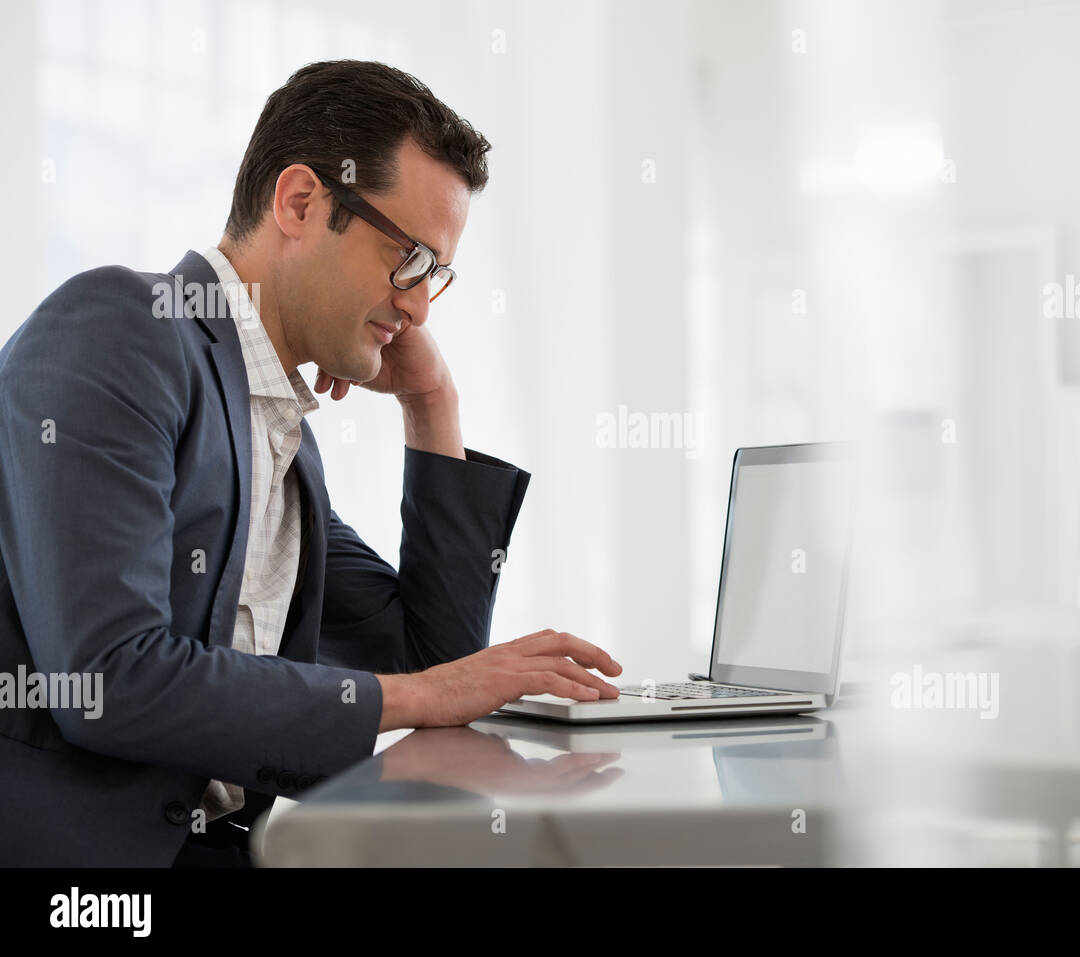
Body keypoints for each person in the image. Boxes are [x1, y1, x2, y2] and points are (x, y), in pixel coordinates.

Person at [0, 59, 622, 867]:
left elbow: (433, 663)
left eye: (437, 274)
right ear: (300, 202)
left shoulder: (282, 438)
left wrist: (432, 404)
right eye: (409, 259)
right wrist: (423, 695)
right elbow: (111, 678)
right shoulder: (124, 331)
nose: (419, 303)